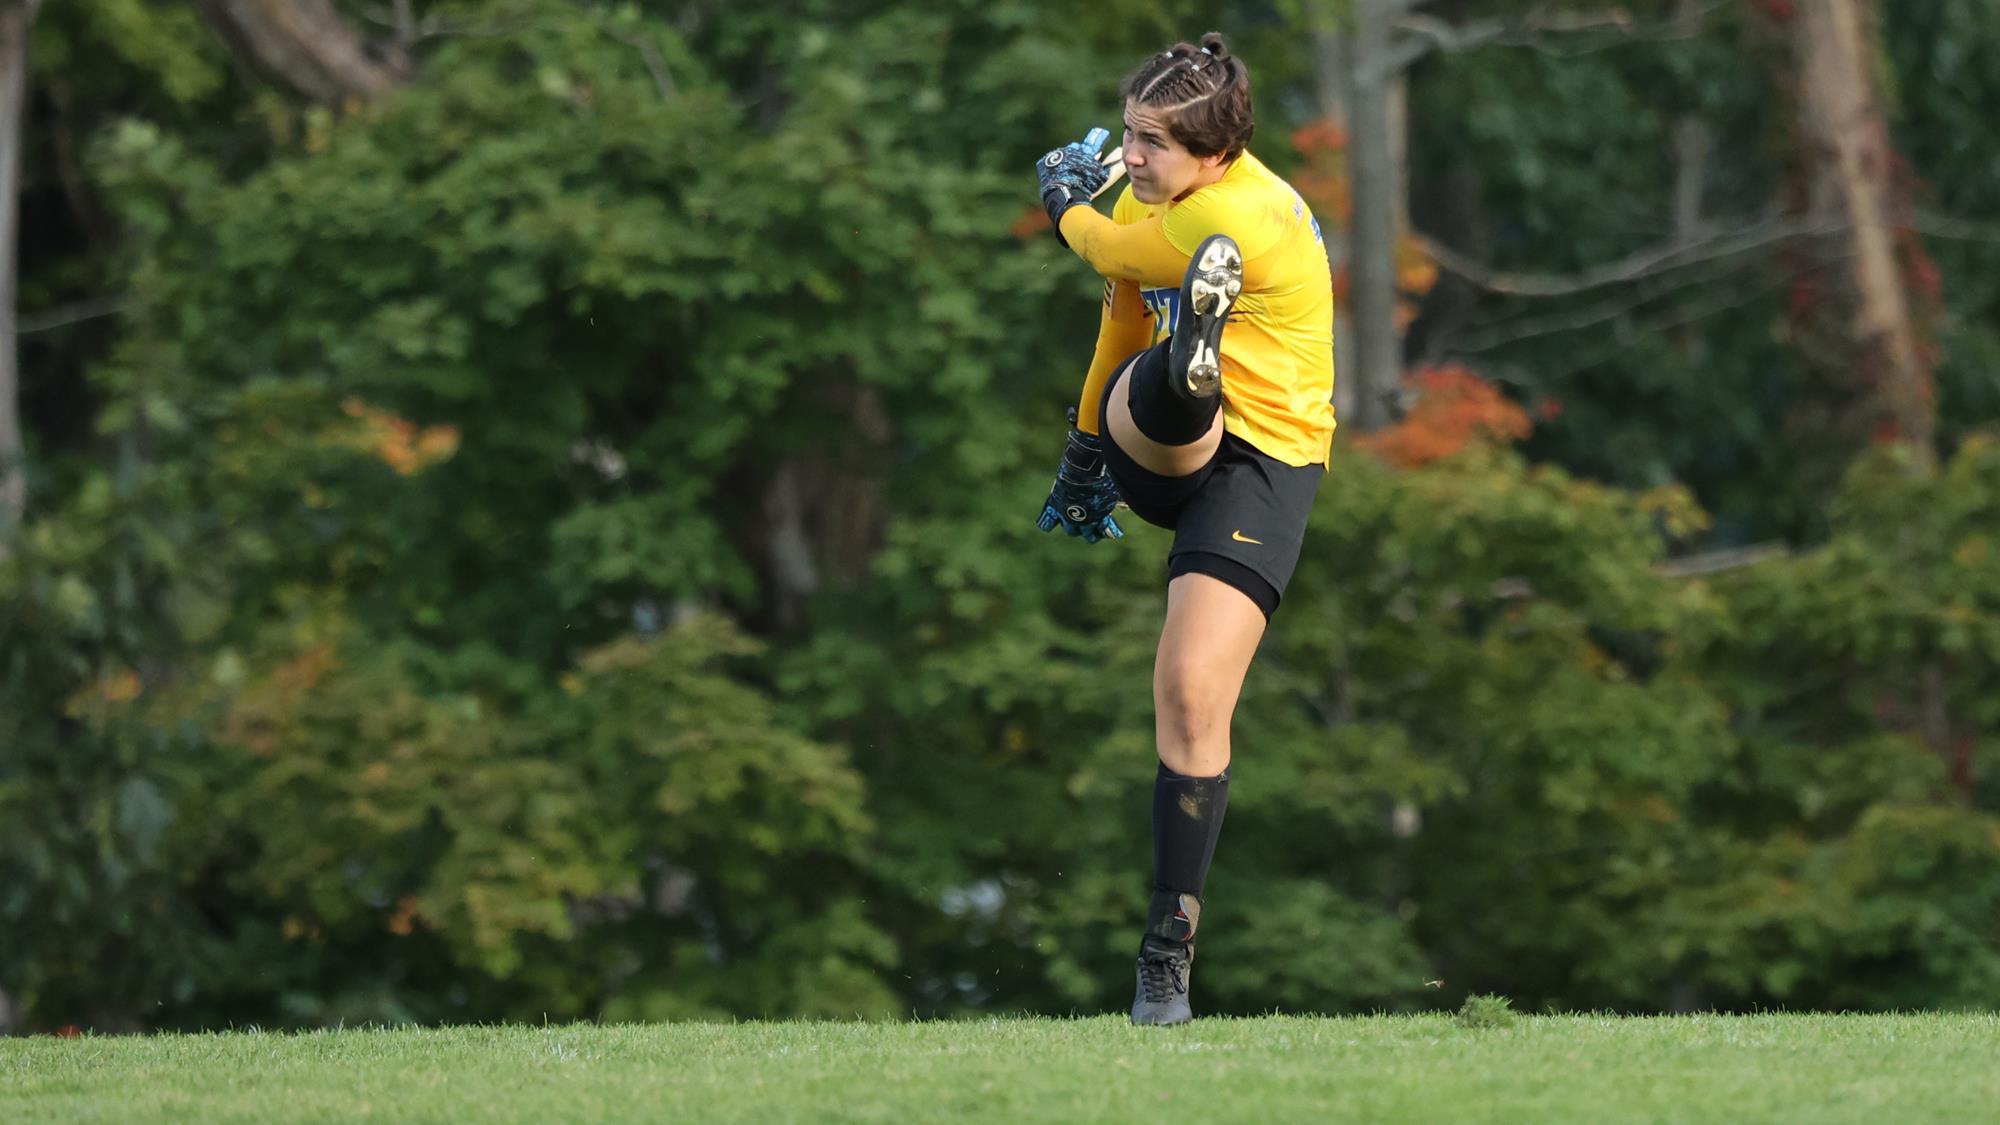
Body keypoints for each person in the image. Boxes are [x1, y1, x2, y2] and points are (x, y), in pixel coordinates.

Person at [1032, 32, 1336, 1026]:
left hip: (1265, 465)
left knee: (1192, 692)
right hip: (1156, 442)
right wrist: (1084, 449)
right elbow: (1119, 314)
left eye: (1150, 143)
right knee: (1162, 373)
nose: (1130, 157)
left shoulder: (1231, 214)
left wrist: (1063, 200)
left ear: (1212, 155)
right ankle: (1185, 370)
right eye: (1126, 134)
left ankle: (1166, 956)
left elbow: (1102, 249)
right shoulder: (1158, 198)